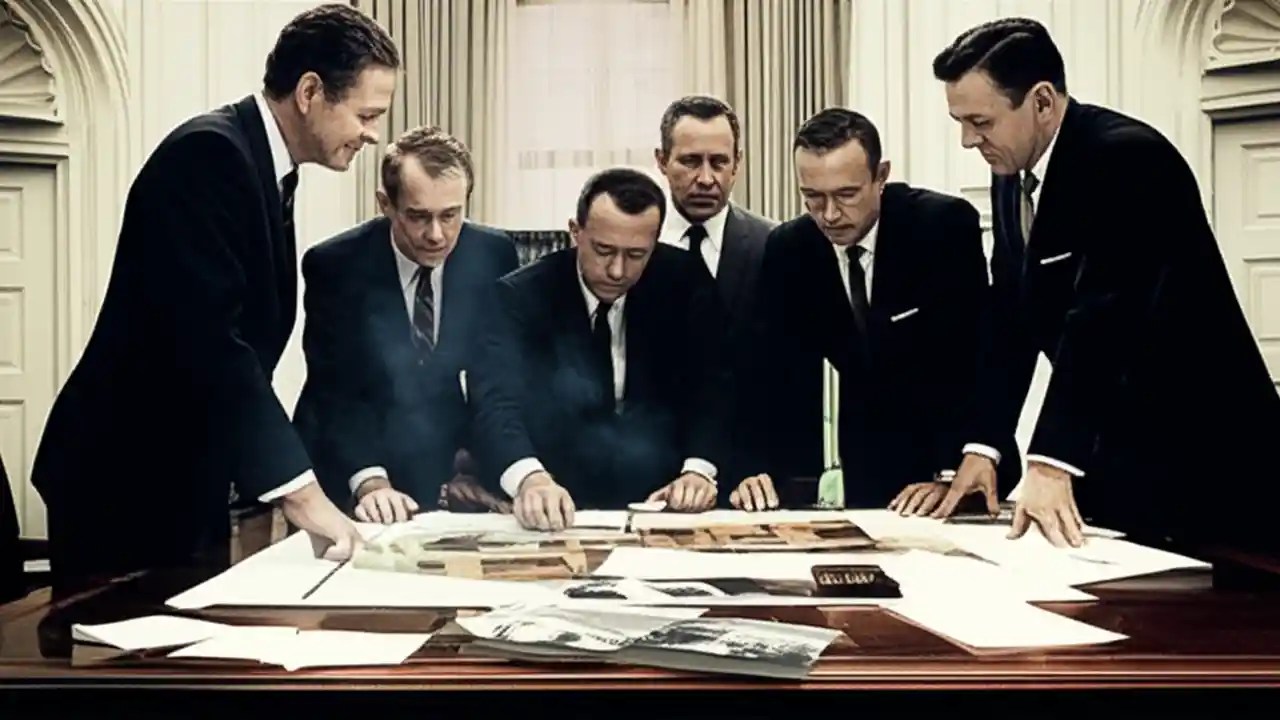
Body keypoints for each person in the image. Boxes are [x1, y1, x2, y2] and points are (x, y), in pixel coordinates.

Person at [30, 4, 399, 585]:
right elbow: (210, 343)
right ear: (310, 92)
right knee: (119, 643)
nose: (372, 134)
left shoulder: (262, 163)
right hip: (123, 478)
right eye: (366, 114)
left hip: (179, 473)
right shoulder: (210, 155)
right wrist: (302, 494)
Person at [931, 18, 1280, 549]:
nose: (967, 140)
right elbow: (1010, 317)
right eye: (960, 122)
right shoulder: (1010, 177)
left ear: (1042, 101)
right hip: (1113, 454)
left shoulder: (1128, 158)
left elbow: (1105, 316)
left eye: (981, 121)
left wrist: (1050, 460)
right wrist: (985, 445)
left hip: (1208, 459)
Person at [733, 108, 1020, 513]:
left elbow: (976, 357)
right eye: (812, 197)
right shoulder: (789, 248)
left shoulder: (941, 228)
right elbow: (769, 373)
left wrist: (949, 472)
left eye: (846, 195)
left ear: (881, 175)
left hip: (951, 466)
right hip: (860, 477)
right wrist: (754, 468)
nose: (829, 214)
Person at [471, 168, 733, 530]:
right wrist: (529, 478)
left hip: (662, 505)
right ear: (575, 232)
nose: (617, 271)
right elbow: (496, 403)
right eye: (603, 250)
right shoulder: (520, 297)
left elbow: (715, 388)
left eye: (636, 254)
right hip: (557, 504)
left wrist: (698, 471)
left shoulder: (686, 283)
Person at [293, 126, 517, 524]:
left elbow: (495, 380)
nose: (436, 235)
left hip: (449, 475)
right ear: (386, 203)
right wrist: (370, 482)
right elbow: (335, 393)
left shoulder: (494, 255)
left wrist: (473, 468)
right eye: (418, 216)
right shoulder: (335, 266)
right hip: (350, 468)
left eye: (450, 215)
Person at [653, 96, 778, 489]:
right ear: (661, 161)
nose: (706, 178)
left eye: (719, 162)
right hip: (650, 475)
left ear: (737, 164)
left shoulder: (775, 246)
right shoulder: (631, 250)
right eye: (691, 161)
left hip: (753, 481)